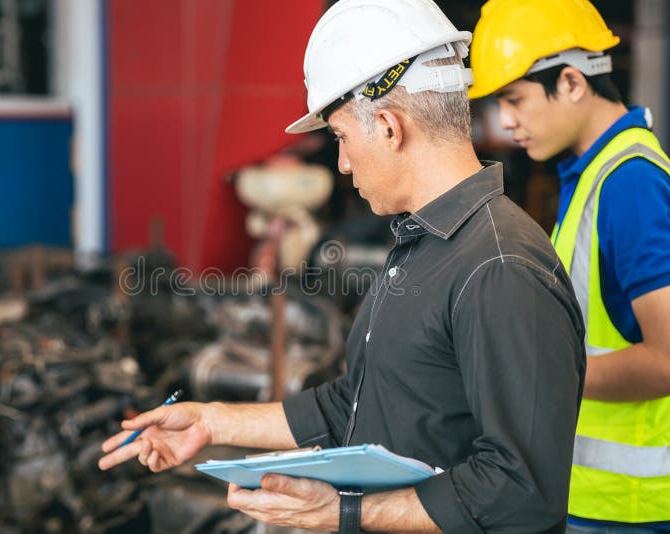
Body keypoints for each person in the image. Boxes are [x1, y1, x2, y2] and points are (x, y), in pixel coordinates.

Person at [99, 1, 586, 532]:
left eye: (339, 137)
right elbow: (353, 404)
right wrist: (209, 420)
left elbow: (521, 491)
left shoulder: (497, 267)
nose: (343, 164)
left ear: (387, 126)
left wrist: (344, 512)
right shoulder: (423, 244)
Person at [468, 0, 670, 531]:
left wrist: (537, 379)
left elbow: (669, 358)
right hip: (590, 499)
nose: (506, 120)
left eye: (515, 99)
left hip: (629, 510)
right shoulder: (592, 174)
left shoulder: (630, 182)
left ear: (573, 83)